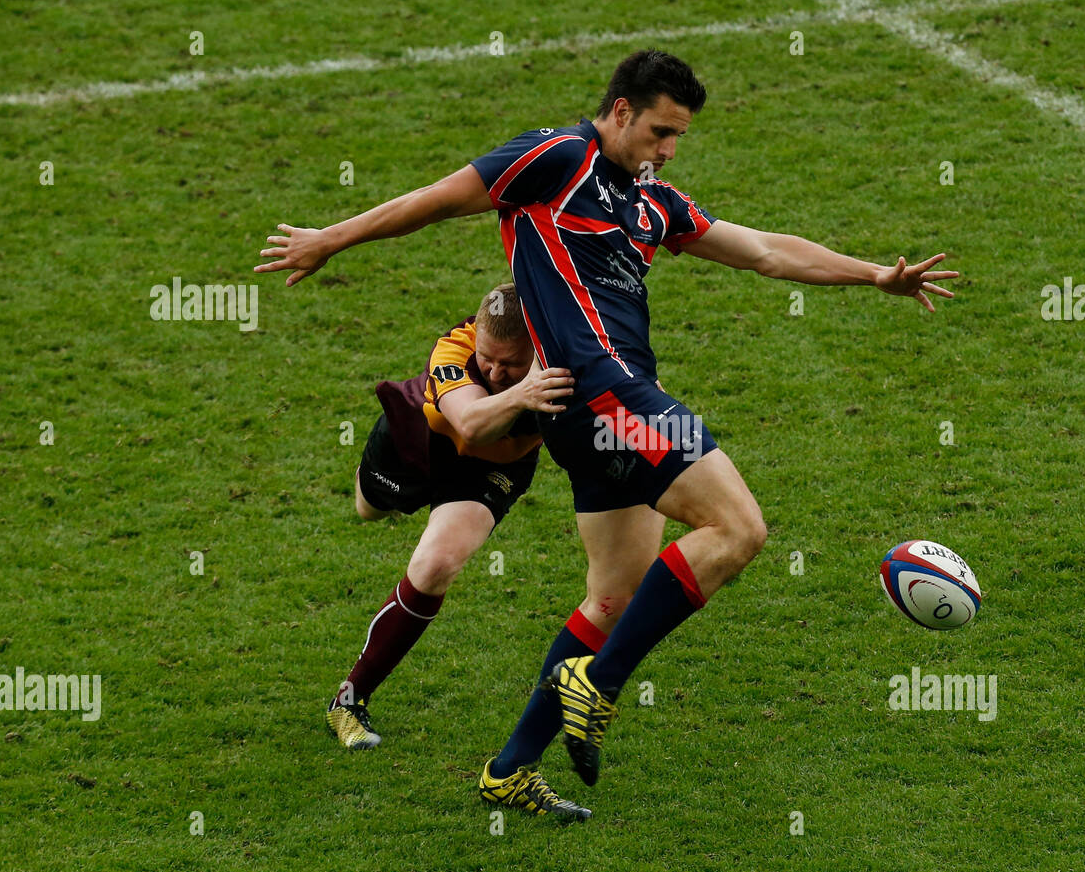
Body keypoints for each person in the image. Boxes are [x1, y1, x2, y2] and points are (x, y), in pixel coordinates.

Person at [255, 49, 958, 819]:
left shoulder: (653, 202)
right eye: (660, 131)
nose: (668, 150)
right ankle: (601, 682)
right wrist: (332, 237)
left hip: (590, 412)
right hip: (606, 394)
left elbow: (760, 251)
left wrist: (873, 275)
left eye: (679, 137)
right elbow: (435, 199)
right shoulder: (555, 159)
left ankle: (511, 767)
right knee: (739, 527)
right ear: (620, 110)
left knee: (615, 595)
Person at [328, 282, 591, 819]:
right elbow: (470, 420)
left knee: (436, 564)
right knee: (368, 510)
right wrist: (523, 390)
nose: (494, 372)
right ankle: (378, 487)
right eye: (488, 360)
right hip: (416, 441)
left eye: (511, 365)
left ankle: (348, 701)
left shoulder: (565, 355)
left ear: (538, 346)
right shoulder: (455, 349)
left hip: (490, 468)